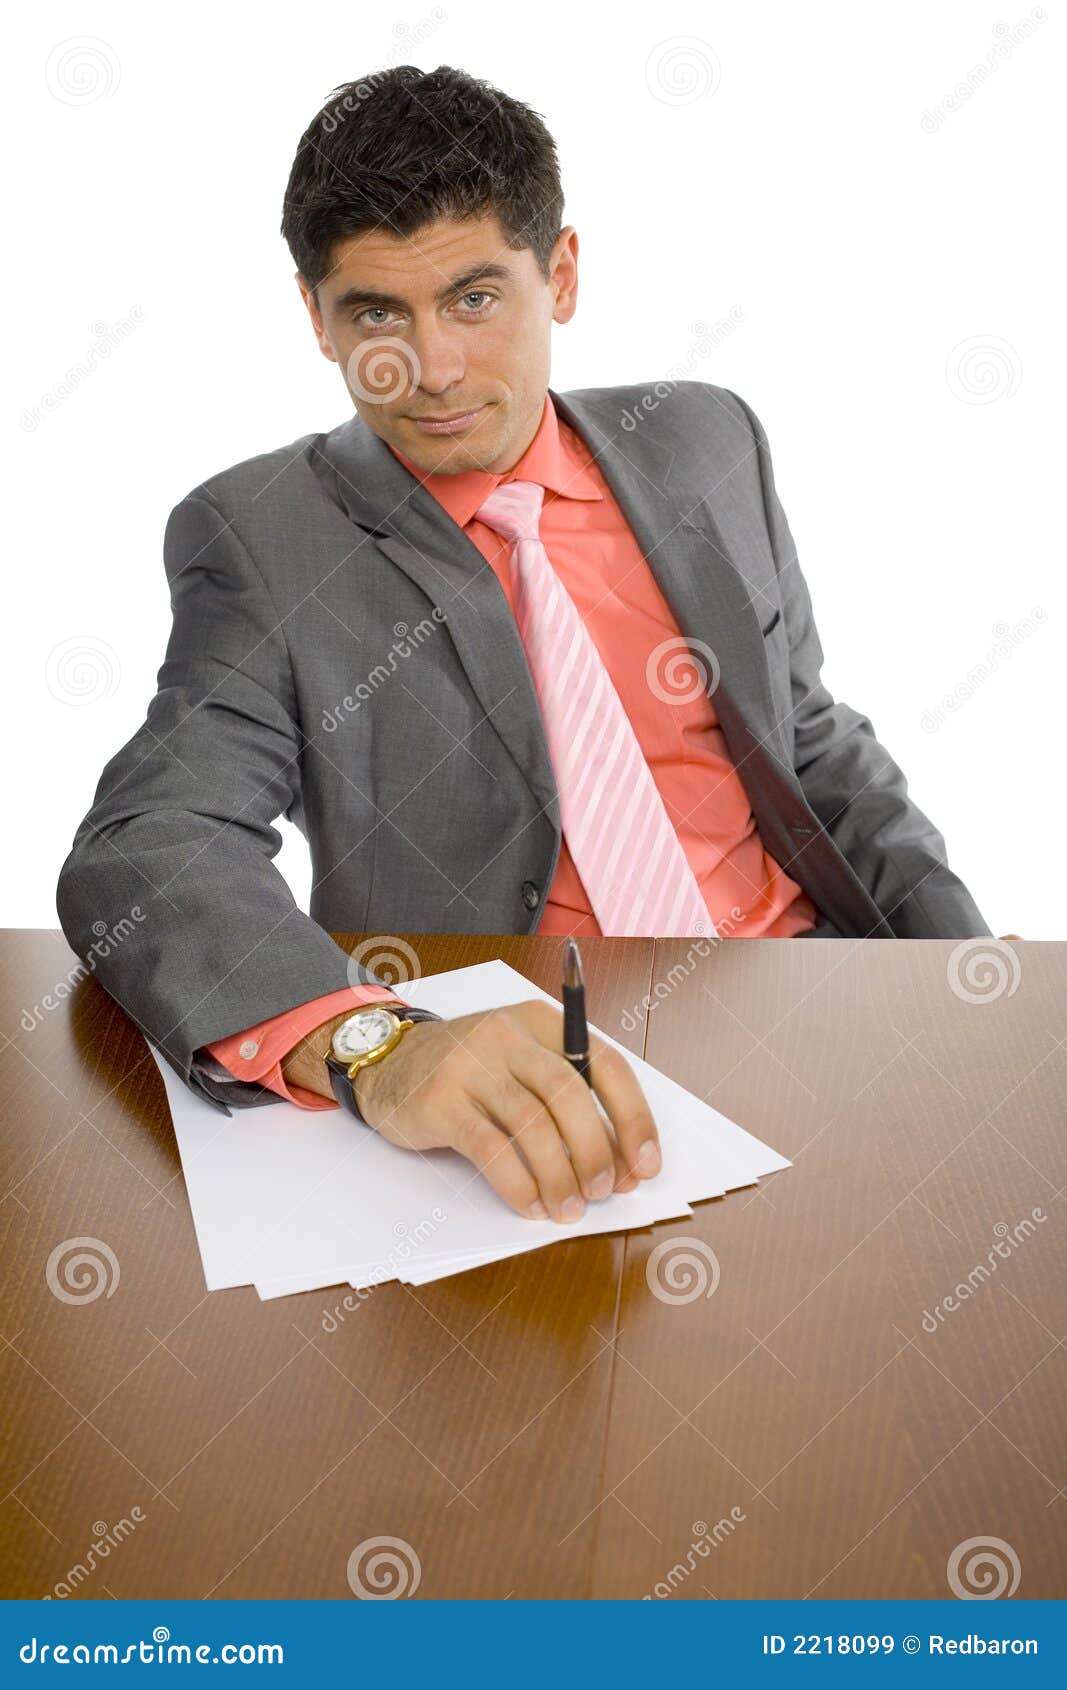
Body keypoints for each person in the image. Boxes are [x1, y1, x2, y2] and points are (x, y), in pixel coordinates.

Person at [56, 65, 995, 1226]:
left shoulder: (705, 437)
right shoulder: (263, 538)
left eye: (472, 298)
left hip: (801, 1005)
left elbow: (809, 738)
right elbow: (149, 846)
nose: (431, 370)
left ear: (559, 275)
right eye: (374, 314)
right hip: (520, 1066)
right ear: (313, 316)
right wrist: (377, 1045)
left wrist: (974, 987)